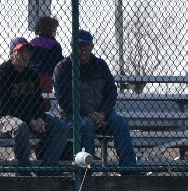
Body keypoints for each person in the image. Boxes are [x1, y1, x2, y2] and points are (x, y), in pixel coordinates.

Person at [52, 31, 136, 167]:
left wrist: (103, 113)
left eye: (85, 46)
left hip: (101, 115)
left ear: (91, 47)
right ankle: (87, 170)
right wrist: (88, 114)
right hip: (73, 117)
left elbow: (111, 92)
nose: (82, 50)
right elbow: (64, 100)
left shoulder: (100, 65)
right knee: (86, 124)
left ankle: (128, 168)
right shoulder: (63, 67)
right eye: (78, 47)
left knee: (120, 123)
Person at [0, 37, 68, 165]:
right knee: (21, 128)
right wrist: (29, 120)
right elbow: (3, 106)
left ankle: (47, 170)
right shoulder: (3, 73)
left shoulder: (32, 74)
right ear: (12, 54)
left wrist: (39, 118)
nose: (25, 56)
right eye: (21, 52)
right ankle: (24, 173)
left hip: (31, 118)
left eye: (28, 52)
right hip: (6, 118)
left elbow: (38, 101)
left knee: (61, 127)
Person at [26, 14, 64, 90]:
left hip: (29, 76)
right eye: (55, 30)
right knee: (45, 98)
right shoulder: (54, 45)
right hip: (46, 77)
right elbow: (58, 63)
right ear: (51, 30)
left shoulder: (32, 42)